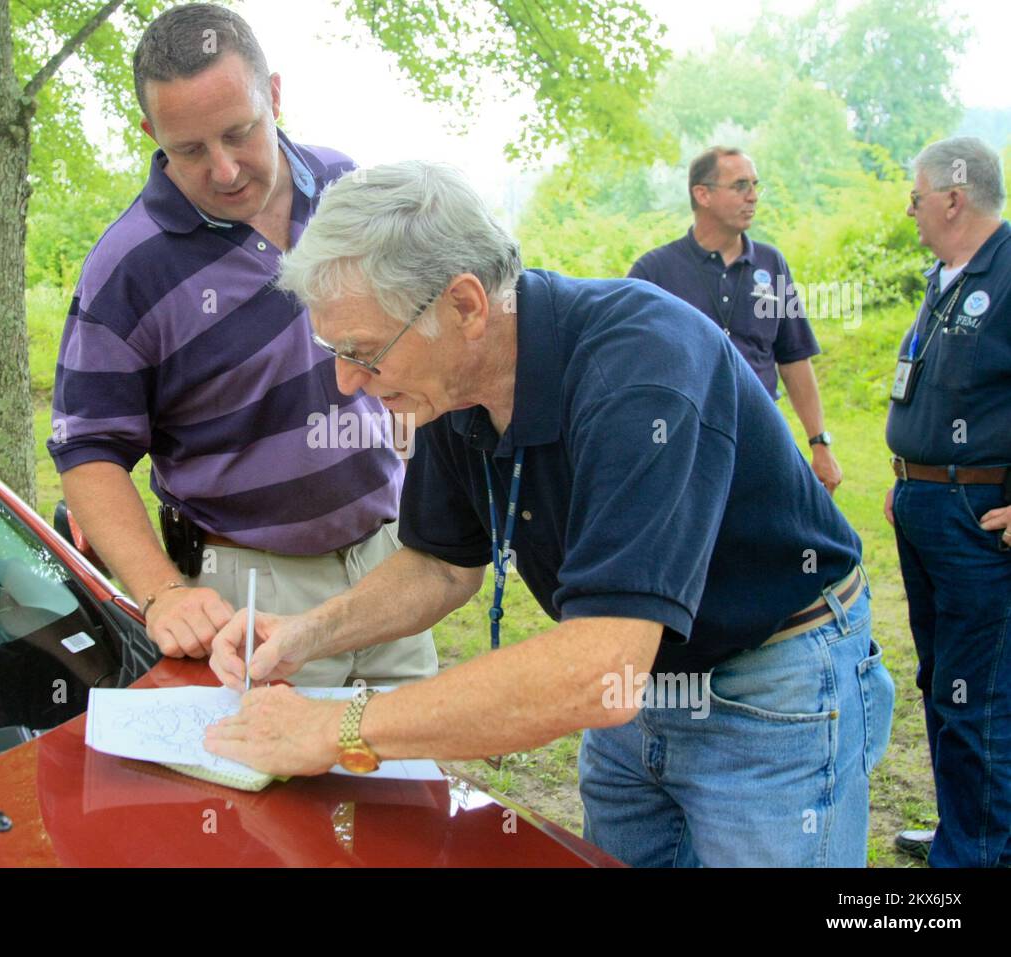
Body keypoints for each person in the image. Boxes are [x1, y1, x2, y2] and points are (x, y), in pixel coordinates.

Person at [203, 161, 895, 867]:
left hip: (767, 684)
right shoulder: (449, 382)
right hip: (638, 685)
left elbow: (596, 667)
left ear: (465, 306)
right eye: (336, 353)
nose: (348, 382)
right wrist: (302, 635)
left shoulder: (640, 368)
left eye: (363, 353)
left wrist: (336, 728)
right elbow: (442, 565)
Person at [46, 4, 436, 687]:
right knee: (282, 790)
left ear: (275, 96)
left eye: (240, 133)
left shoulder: (350, 189)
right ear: (151, 133)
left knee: (411, 782)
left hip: (390, 566)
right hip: (248, 596)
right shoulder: (126, 268)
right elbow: (88, 450)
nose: (225, 171)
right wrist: (162, 592)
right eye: (191, 150)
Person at [885, 135, 1011, 868]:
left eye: (917, 197)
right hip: (926, 506)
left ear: (954, 198)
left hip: (978, 517)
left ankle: (977, 855)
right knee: (943, 682)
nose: (911, 211)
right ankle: (964, 825)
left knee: (981, 694)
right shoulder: (944, 275)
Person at [628, 147, 843, 495]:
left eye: (756, 185)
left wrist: (820, 443)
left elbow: (793, 358)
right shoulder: (654, 272)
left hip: (761, 435)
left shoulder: (772, 265)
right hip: (686, 441)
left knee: (763, 542)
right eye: (740, 185)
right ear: (703, 194)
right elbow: (632, 368)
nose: (753, 196)